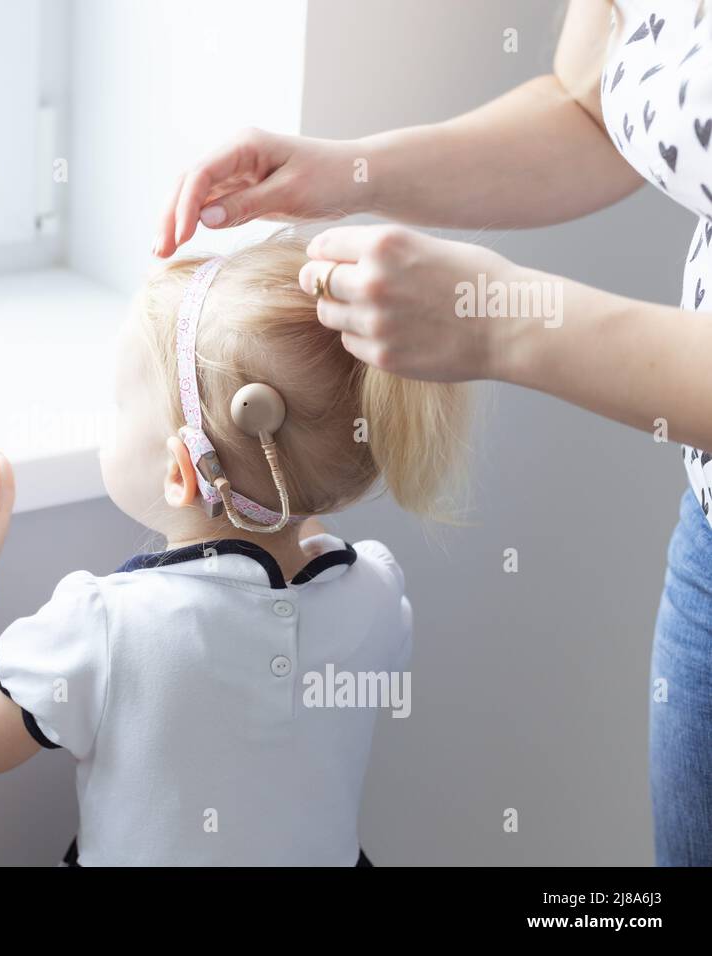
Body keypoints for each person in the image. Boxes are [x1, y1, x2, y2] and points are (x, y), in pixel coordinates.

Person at [154, 0, 712, 865]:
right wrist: (348, 172)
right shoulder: (370, 595)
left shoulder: (108, 632)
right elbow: (587, 108)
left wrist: (503, 327)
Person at [0, 230, 467, 864]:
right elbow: (305, 535)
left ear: (179, 471)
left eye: (121, 406)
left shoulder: (106, 628)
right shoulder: (374, 593)